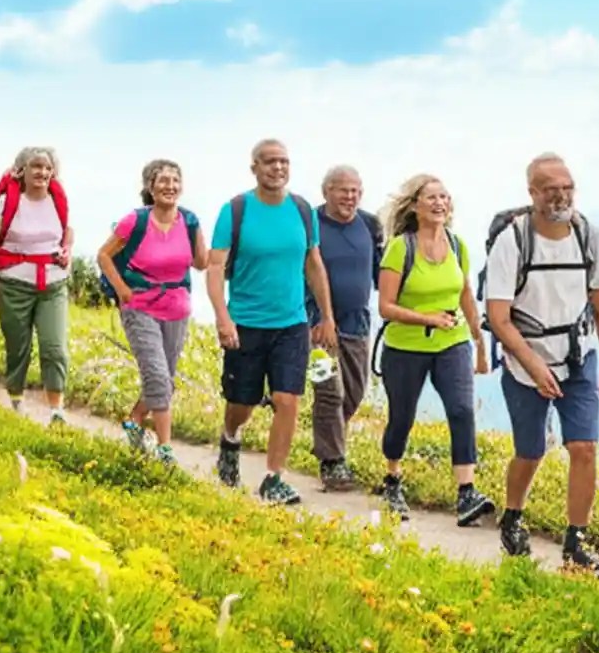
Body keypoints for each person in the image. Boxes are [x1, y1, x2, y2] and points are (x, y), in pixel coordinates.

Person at [484, 152, 599, 571]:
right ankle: (513, 516)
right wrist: (534, 365)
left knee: (584, 448)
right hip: (527, 362)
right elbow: (498, 317)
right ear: (533, 193)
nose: (561, 196)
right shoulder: (513, 241)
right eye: (551, 189)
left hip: (579, 357)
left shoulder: (589, 236)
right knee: (531, 450)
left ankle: (575, 543)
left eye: (568, 188)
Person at [206, 138, 337, 505]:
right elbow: (215, 267)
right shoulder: (235, 210)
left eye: (283, 162)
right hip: (246, 322)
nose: (277, 168)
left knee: (288, 399)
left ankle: (273, 478)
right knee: (241, 403)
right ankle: (230, 439)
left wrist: (326, 315)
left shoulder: (301, 209)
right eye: (269, 162)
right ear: (255, 168)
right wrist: (222, 317)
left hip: (291, 323)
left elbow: (313, 263)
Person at [373, 173, 494, 526]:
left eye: (445, 197)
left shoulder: (458, 246)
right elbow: (386, 306)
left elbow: (465, 294)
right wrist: (425, 317)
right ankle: (393, 479)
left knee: (461, 410)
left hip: (452, 344)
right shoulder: (400, 248)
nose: (440, 203)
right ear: (415, 206)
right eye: (431, 198)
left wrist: (479, 342)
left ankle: (466, 493)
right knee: (402, 418)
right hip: (405, 347)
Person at [96, 158, 207, 464]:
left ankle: (134, 420)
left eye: (175, 180)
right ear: (149, 187)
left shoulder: (189, 220)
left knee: (164, 379)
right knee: (157, 375)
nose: (170, 186)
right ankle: (165, 449)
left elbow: (201, 263)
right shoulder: (135, 220)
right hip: (140, 307)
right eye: (163, 180)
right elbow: (104, 255)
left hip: (177, 308)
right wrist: (122, 290)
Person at [0, 146, 74, 425]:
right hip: (14, 283)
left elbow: (68, 231)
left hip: (53, 283)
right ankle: (16, 399)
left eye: (47, 167)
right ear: (22, 170)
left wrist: (66, 249)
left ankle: (56, 411)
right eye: (36, 166)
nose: (42, 172)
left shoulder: (58, 198)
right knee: (18, 347)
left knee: (54, 347)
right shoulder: (7, 201)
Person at [306, 164, 384, 491]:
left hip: (357, 324)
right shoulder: (310, 222)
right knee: (329, 392)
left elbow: (381, 273)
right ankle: (333, 462)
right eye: (342, 190)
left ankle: (327, 441)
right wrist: (318, 319)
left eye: (355, 190)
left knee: (353, 394)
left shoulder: (369, 224)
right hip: (314, 325)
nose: (349, 197)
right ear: (327, 192)